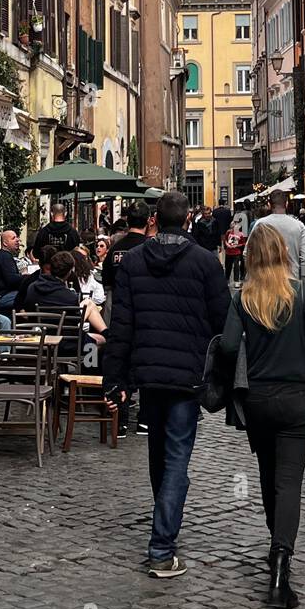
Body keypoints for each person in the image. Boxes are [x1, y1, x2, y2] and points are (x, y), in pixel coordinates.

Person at [103, 190, 230, 578]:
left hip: (149, 374)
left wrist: (115, 380)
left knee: (159, 454)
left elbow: (121, 326)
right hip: (187, 376)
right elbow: (223, 321)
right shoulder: (206, 263)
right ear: (188, 219)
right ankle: (162, 545)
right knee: (174, 458)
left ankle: (165, 523)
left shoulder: (133, 263)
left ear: (156, 219)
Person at [219, 224, 305, 609]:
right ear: (284, 254)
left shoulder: (243, 299)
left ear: (252, 257)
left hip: (257, 399)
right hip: (294, 399)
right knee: (289, 484)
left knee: (269, 478)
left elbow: (224, 345)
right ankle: (281, 562)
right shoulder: (303, 294)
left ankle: (276, 549)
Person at [103, 201, 151, 320]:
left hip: (119, 311)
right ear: (148, 221)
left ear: (127, 221)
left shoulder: (115, 249)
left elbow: (107, 284)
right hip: (145, 310)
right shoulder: (152, 249)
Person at [266, 190, 305, 281]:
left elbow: (247, 253)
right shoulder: (299, 225)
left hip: (267, 280)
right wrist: (303, 281)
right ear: (286, 204)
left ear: (269, 205)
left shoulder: (260, 224)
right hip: (292, 278)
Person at [0, 230, 24, 311]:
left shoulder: (4, 255)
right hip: (4, 296)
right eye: (13, 238)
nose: (17, 240)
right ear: (5, 243)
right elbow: (12, 280)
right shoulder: (5, 256)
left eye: (17, 237)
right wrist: (26, 276)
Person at [224, 220, 247, 284]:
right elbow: (225, 240)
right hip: (228, 252)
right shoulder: (228, 232)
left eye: (234, 224)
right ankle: (227, 279)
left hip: (236, 252)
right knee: (228, 266)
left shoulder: (240, 234)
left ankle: (236, 281)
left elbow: (243, 243)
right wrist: (227, 245)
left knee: (236, 267)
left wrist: (237, 245)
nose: (232, 226)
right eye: (231, 224)